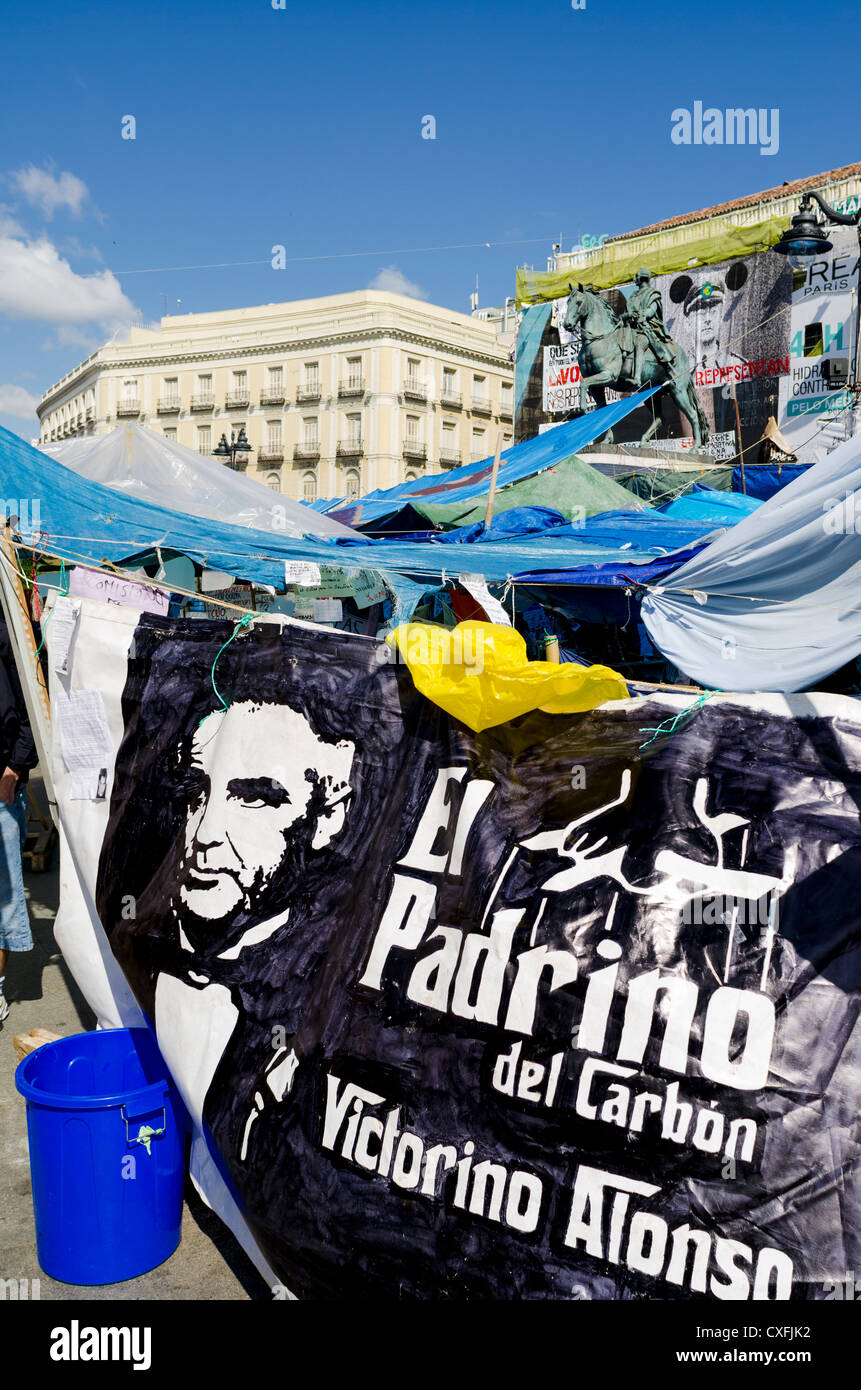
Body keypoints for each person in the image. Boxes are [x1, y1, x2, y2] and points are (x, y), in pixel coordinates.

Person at [147, 697, 356, 1149]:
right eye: (196, 794)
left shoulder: (326, 992)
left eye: (252, 799)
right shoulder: (150, 947)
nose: (204, 834)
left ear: (328, 816)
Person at [0, 615, 38, 1026]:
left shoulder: (6, 626)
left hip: (2, 783)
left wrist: (15, 768)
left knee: (3, 896)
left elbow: (28, 697)